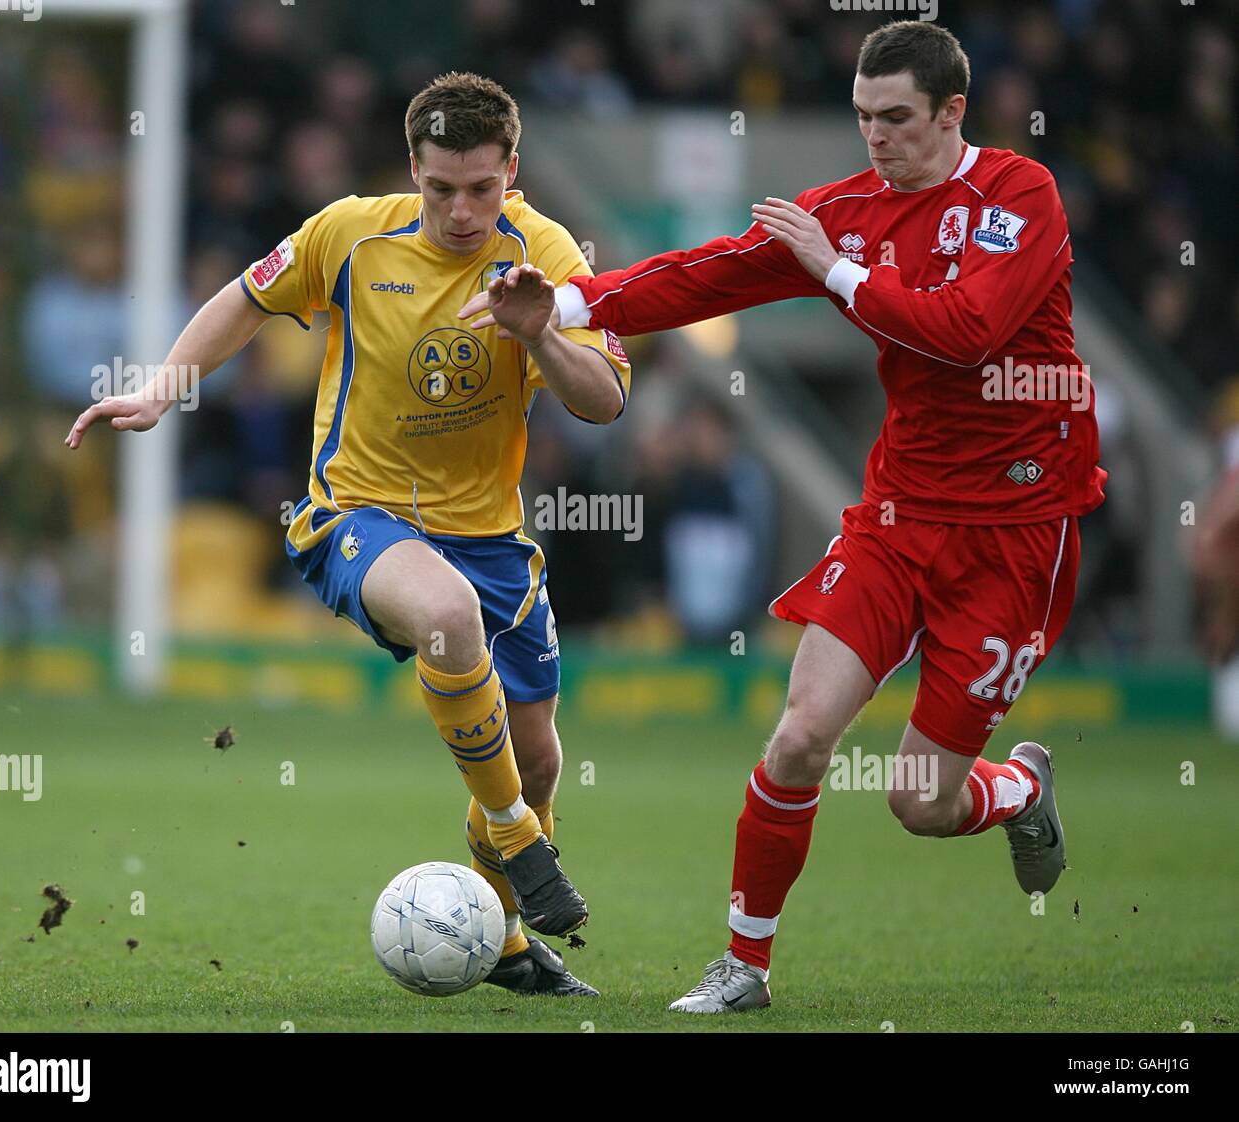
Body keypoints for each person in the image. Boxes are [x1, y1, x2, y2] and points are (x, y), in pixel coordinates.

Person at [463, 20, 1106, 1013]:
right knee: (801, 734)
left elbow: (967, 333)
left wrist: (835, 271)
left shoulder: (1019, 196)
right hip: (898, 517)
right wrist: (571, 303)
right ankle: (744, 966)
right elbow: (711, 272)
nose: (876, 138)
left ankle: (1017, 789)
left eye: (896, 119)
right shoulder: (838, 212)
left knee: (919, 803)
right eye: (861, 118)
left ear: (950, 113)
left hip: (1019, 531)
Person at [66, 71, 632, 997]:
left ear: (512, 172)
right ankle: (523, 845)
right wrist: (162, 386)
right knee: (447, 618)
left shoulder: (549, 253)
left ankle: (501, 944)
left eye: (481, 188)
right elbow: (244, 299)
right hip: (357, 516)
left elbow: (606, 401)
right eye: (440, 186)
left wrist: (541, 336)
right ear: (413, 168)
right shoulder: (350, 233)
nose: (459, 209)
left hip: (493, 538)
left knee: (537, 758)